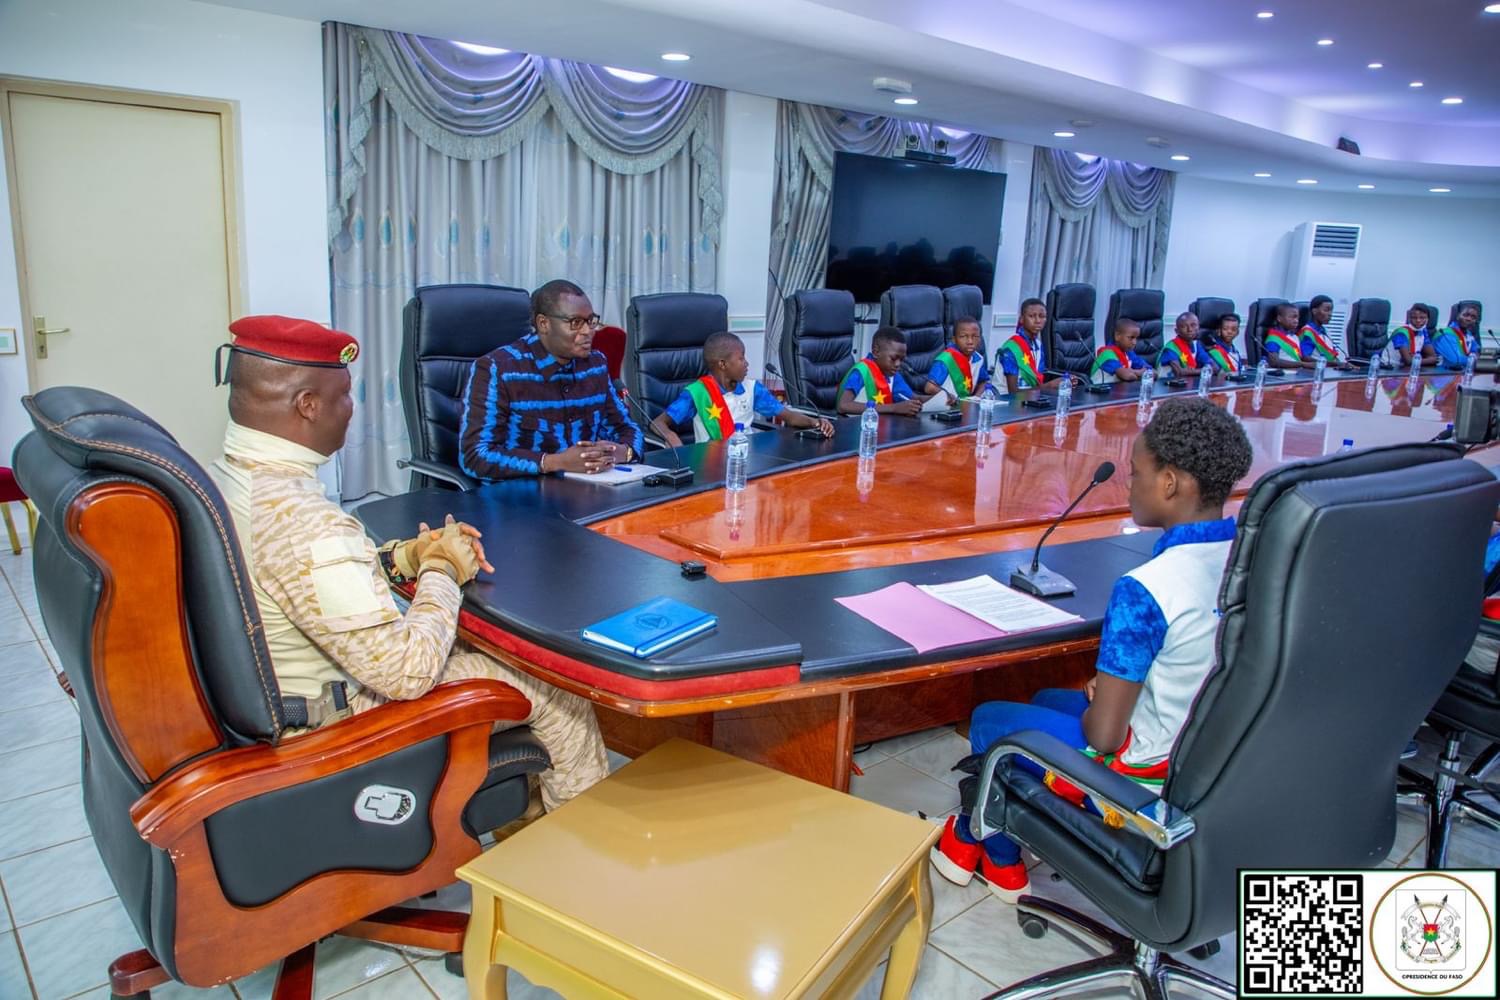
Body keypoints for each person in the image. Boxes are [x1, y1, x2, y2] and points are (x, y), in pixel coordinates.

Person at [210, 315, 608, 812]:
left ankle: (520, 825)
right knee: (557, 688)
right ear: (307, 406)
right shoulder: (304, 523)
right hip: (334, 724)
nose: (351, 411)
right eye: (344, 396)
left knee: (489, 644)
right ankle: (579, 866)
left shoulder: (228, 480)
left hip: (279, 696)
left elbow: (303, 582)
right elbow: (407, 674)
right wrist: (441, 568)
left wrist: (407, 557)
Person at [929, 397, 1253, 901]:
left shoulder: (1148, 588)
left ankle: (994, 854)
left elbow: (1103, 734)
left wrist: (1111, 699)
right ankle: (979, 843)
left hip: (1145, 779)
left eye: (1136, 471)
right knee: (1042, 702)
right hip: (1209, 757)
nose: (1130, 484)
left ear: (1169, 483)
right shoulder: (1247, 559)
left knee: (991, 719)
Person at [459, 279, 643, 480]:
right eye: (575, 322)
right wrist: (554, 462)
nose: (587, 331)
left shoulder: (595, 365)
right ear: (543, 324)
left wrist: (623, 451)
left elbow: (626, 427)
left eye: (590, 321)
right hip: (521, 497)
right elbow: (474, 456)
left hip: (588, 493)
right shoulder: (498, 369)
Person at [651, 331, 834, 446]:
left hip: (748, 458)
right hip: (711, 463)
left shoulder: (751, 388)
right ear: (723, 364)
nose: (746, 364)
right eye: (741, 358)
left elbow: (787, 415)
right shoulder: (698, 393)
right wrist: (671, 436)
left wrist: (815, 422)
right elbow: (657, 423)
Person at [838, 326, 929, 416]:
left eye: (901, 360)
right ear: (876, 352)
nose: (898, 364)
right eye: (893, 358)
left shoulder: (893, 374)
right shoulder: (861, 372)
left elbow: (914, 398)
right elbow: (843, 406)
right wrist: (894, 408)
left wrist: (940, 398)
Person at [998, 298, 1061, 394]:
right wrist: (1049, 386)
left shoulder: (1038, 345)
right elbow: (1013, 392)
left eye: (1042, 316)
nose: (1037, 321)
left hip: (1030, 398)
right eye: (1032, 316)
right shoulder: (1011, 348)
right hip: (1005, 401)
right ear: (1022, 319)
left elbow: (1037, 382)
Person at [928, 315, 992, 399]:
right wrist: (947, 396)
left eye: (975, 336)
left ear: (980, 339)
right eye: (963, 336)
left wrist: (977, 397)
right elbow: (929, 388)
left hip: (967, 405)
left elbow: (983, 382)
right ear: (954, 339)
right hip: (947, 406)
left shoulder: (978, 359)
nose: (970, 341)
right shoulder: (946, 359)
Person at [1299, 295, 1352, 370]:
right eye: (1326, 310)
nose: (1330, 314)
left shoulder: (1325, 331)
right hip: (1314, 371)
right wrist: (1334, 364)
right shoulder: (1308, 332)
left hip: (1328, 369)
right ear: (1314, 311)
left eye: (1331, 310)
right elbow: (1305, 358)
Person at [1090, 318, 1148, 384]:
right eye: (1131, 338)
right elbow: (1128, 376)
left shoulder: (1129, 353)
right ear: (1117, 336)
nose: (1134, 342)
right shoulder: (1107, 354)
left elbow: (1152, 372)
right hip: (1098, 392)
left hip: (1117, 391)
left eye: (1136, 338)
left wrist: (1137, 372)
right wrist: (1140, 372)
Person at [1264, 302, 1315, 370]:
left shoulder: (1294, 337)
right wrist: (1302, 364)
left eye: (1297, 318)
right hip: (1282, 374)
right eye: (1292, 317)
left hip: (1297, 372)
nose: (1296, 321)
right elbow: (1274, 362)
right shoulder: (1274, 338)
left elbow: (1297, 355)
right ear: (1279, 318)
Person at [1385, 304, 1437, 369]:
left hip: (1405, 368)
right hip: (1389, 368)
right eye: (1414, 318)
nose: (1418, 320)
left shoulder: (1423, 332)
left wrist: (1415, 360)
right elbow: (1408, 361)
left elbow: (1434, 358)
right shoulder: (1402, 333)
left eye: (1422, 318)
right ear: (1410, 318)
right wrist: (1426, 360)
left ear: (1428, 319)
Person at [1432, 303, 1481, 370]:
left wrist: (1473, 357)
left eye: (1473, 317)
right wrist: (1473, 359)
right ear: (1458, 316)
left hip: (1460, 372)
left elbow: (1476, 351)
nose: (1469, 319)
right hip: (1441, 374)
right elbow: (1455, 360)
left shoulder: (1468, 335)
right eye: (1466, 315)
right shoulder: (1446, 334)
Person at [1160, 312, 1202, 377]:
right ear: (1176, 331)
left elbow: (1213, 368)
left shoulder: (1196, 345)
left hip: (1188, 382)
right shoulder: (1171, 348)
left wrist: (1191, 371)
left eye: (1193, 325)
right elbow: (1179, 372)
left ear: (1198, 327)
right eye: (1184, 326)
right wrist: (1204, 370)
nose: (1190, 329)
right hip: (1167, 384)